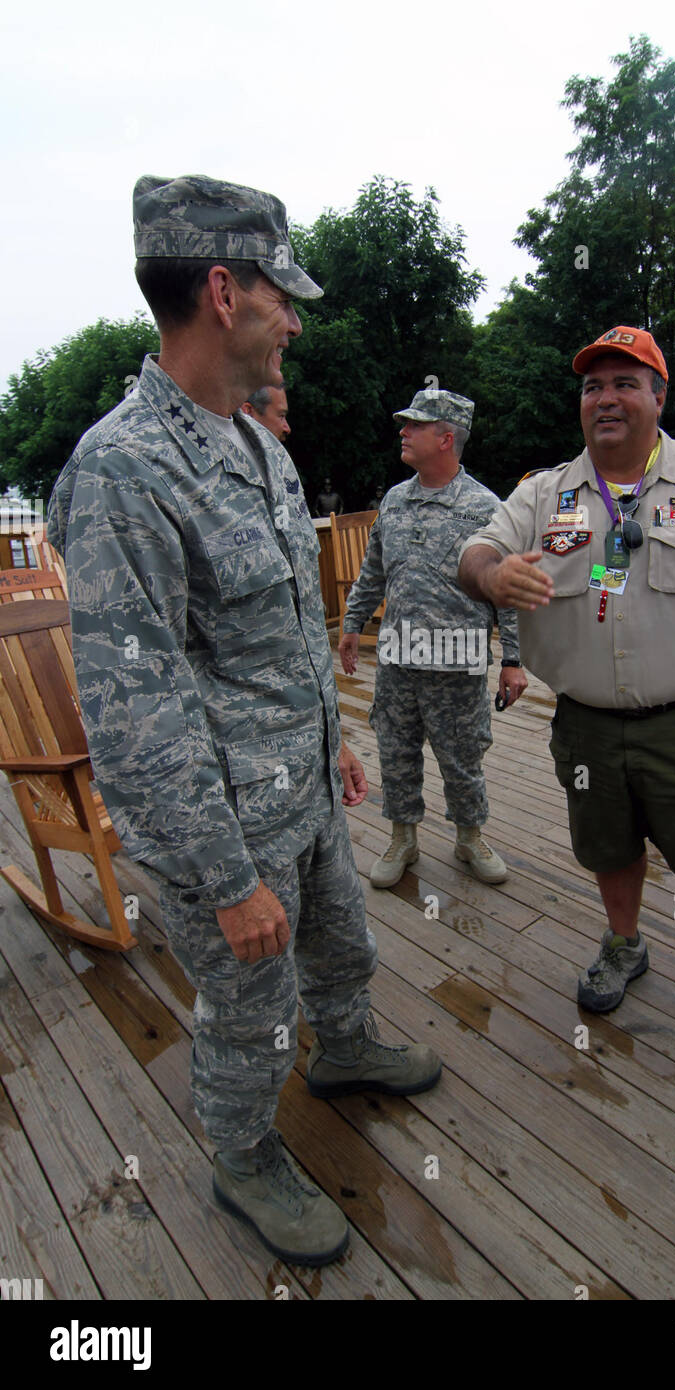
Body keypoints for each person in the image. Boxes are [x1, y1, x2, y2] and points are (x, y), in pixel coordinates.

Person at [47, 174, 441, 1269]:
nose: (296, 317)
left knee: (340, 944)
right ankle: (243, 1153)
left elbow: (276, 623)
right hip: (227, 825)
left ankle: (347, 1045)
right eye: (282, 292)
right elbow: (137, 708)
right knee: (244, 1010)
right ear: (223, 291)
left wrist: (331, 748)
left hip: (300, 786)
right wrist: (225, 879)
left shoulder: (254, 445)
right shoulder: (126, 468)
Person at [458, 326, 675, 1049]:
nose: (605, 398)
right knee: (608, 846)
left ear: (658, 395)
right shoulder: (545, 491)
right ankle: (626, 944)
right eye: (592, 386)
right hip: (584, 721)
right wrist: (491, 574)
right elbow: (477, 549)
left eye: (624, 382)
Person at [339, 388, 527, 888]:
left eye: (415, 425)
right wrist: (352, 624)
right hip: (398, 662)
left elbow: (506, 592)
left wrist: (513, 659)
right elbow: (372, 571)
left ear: (446, 438)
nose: (403, 431)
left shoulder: (486, 508)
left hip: (458, 665)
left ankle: (469, 838)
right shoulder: (395, 501)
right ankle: (403, 838)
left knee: (462, 757)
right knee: (396, 753)